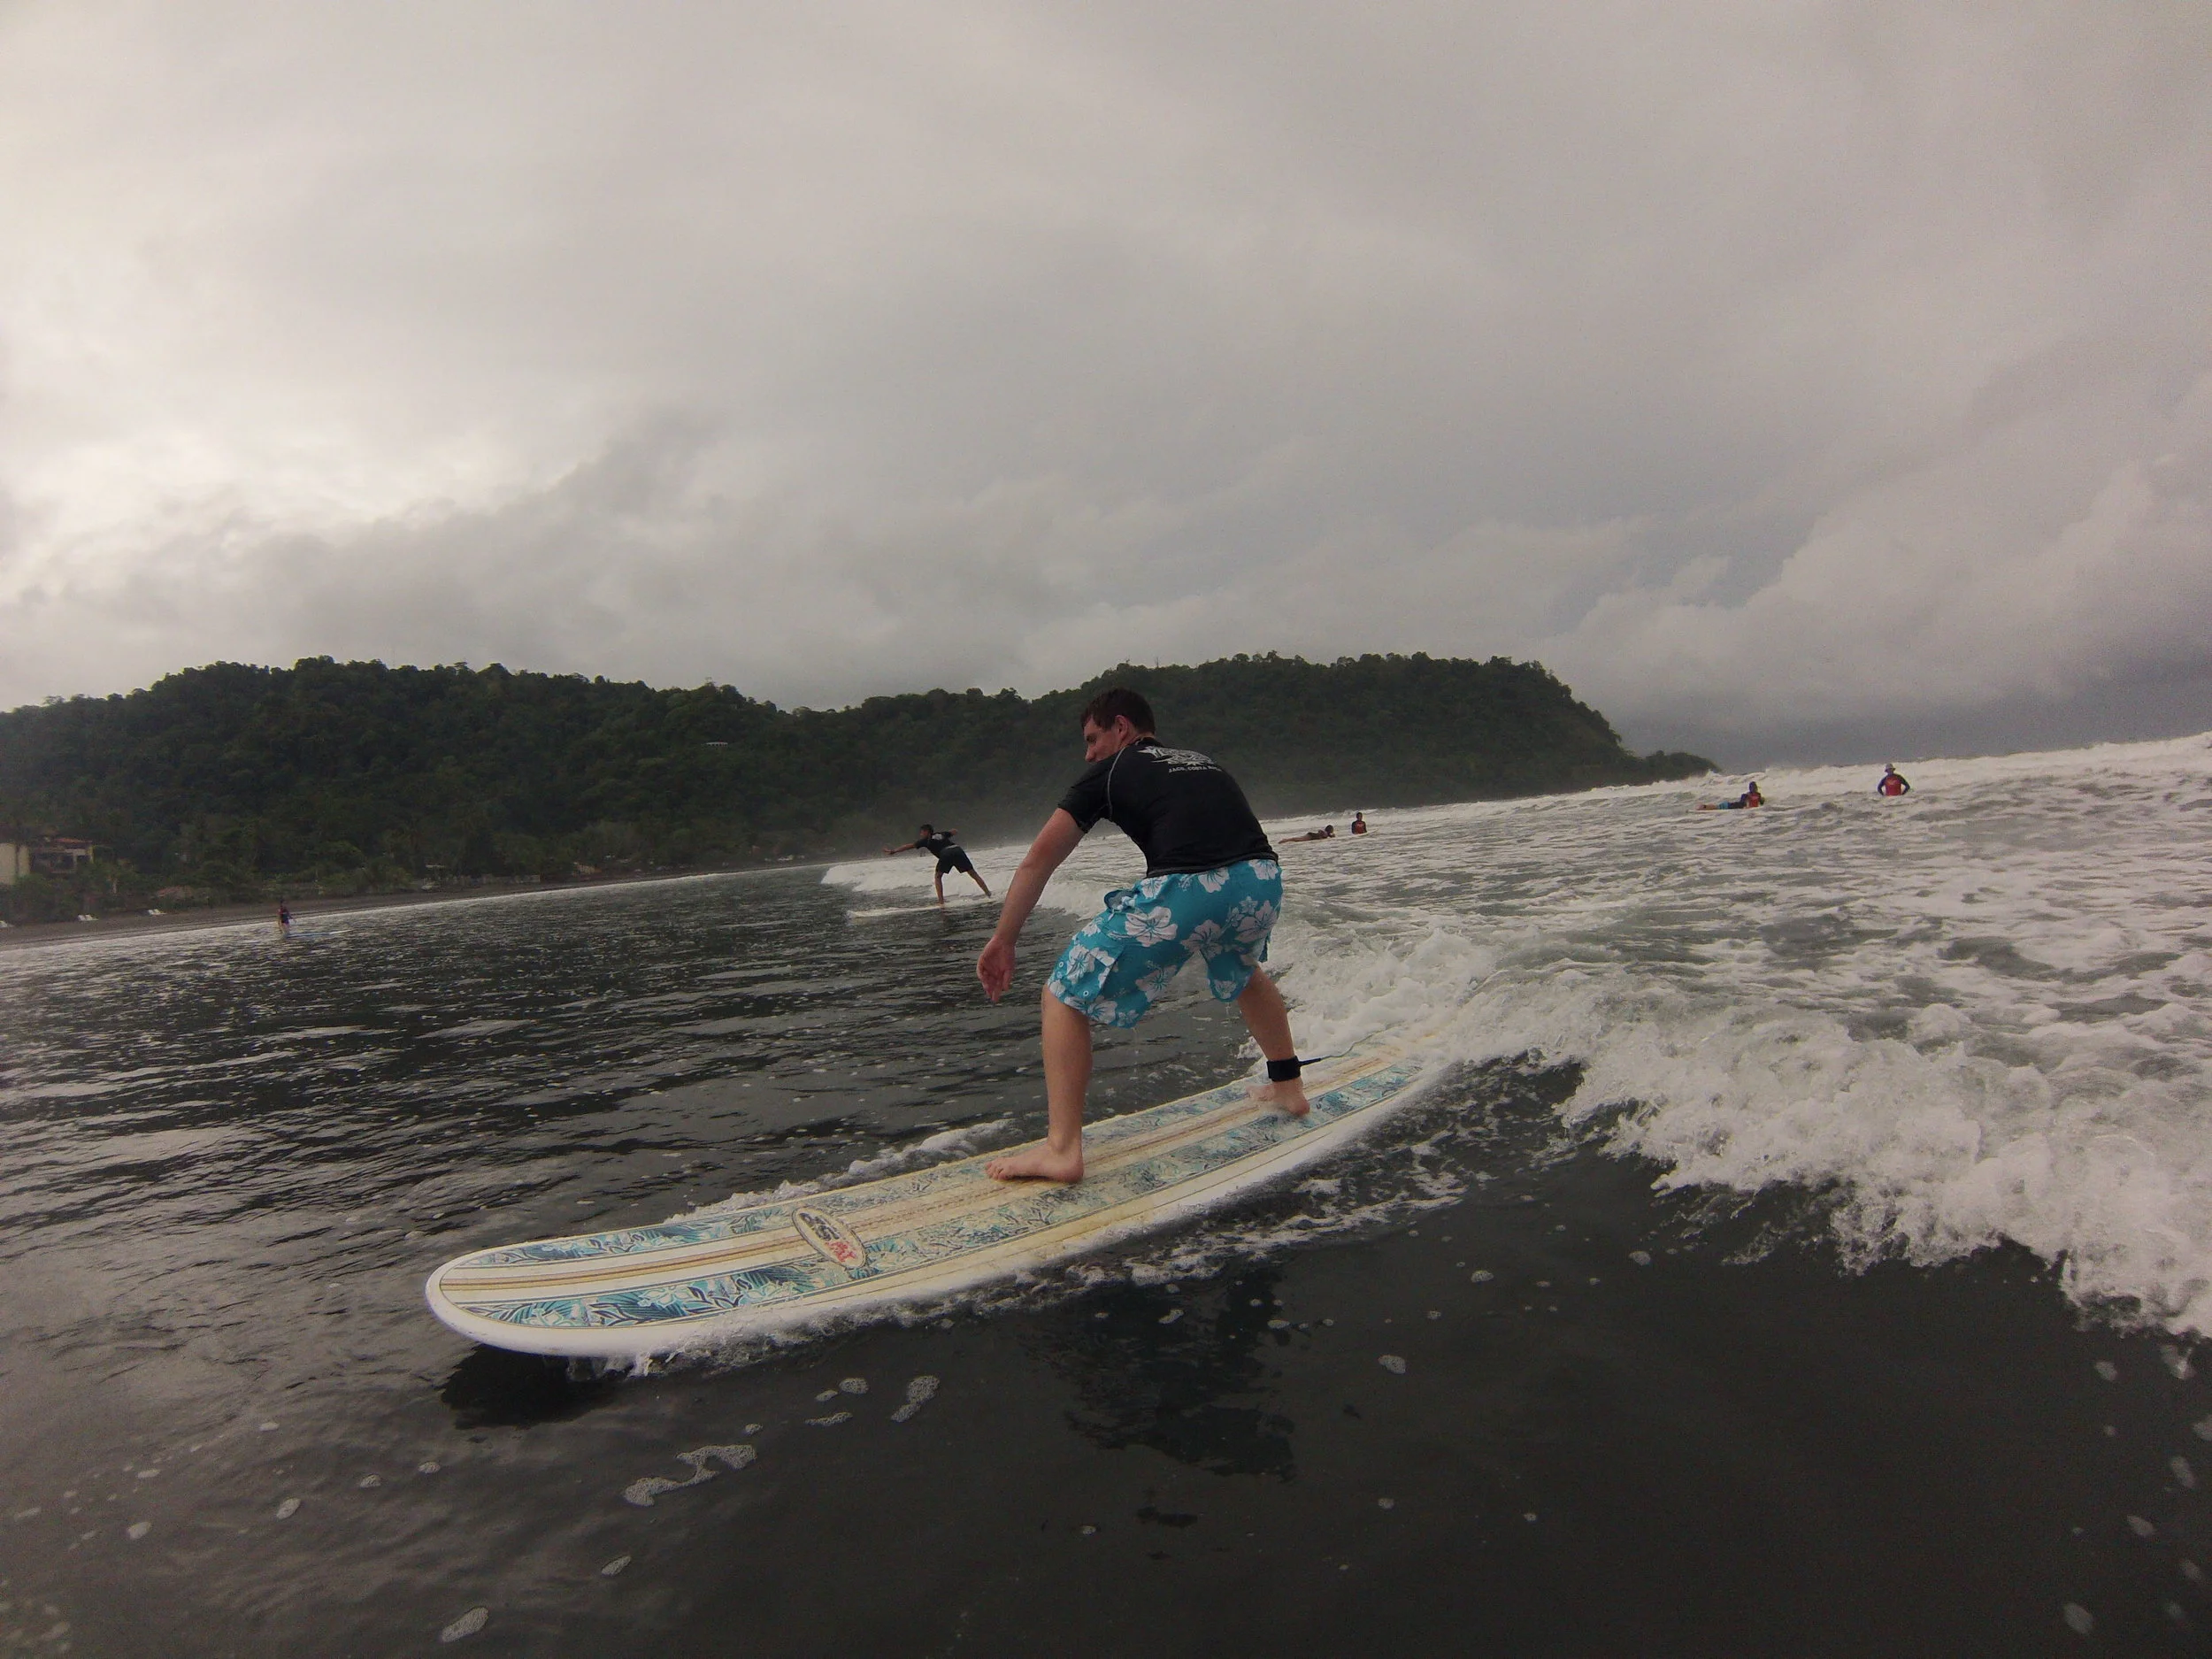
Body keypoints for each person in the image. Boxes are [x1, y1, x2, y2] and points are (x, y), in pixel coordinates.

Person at [977, 687, 1308, 1183]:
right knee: (1242, 970)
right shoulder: (1201, 761)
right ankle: (1289, 1089)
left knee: (1063, 995)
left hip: (1192, 887)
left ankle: (1062, 1150)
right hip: (1259, 882)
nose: (1088, 753)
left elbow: (1039, 859)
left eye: (1093, 738)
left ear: (1122, 727)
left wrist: (1004, 939)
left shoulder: (1110, 771)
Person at [883, 822, 992, 902]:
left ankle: (941, 902)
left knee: (938, 876)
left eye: (921, 832)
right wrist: (953, 831)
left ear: (926, 832)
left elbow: (909, 846)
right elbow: (953, 831)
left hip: (946, 853)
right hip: (957, 849)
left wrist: (894, 851)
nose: (920, 834)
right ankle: (988, 893)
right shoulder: (941, 834)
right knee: (973, 873)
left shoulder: (926, 840)